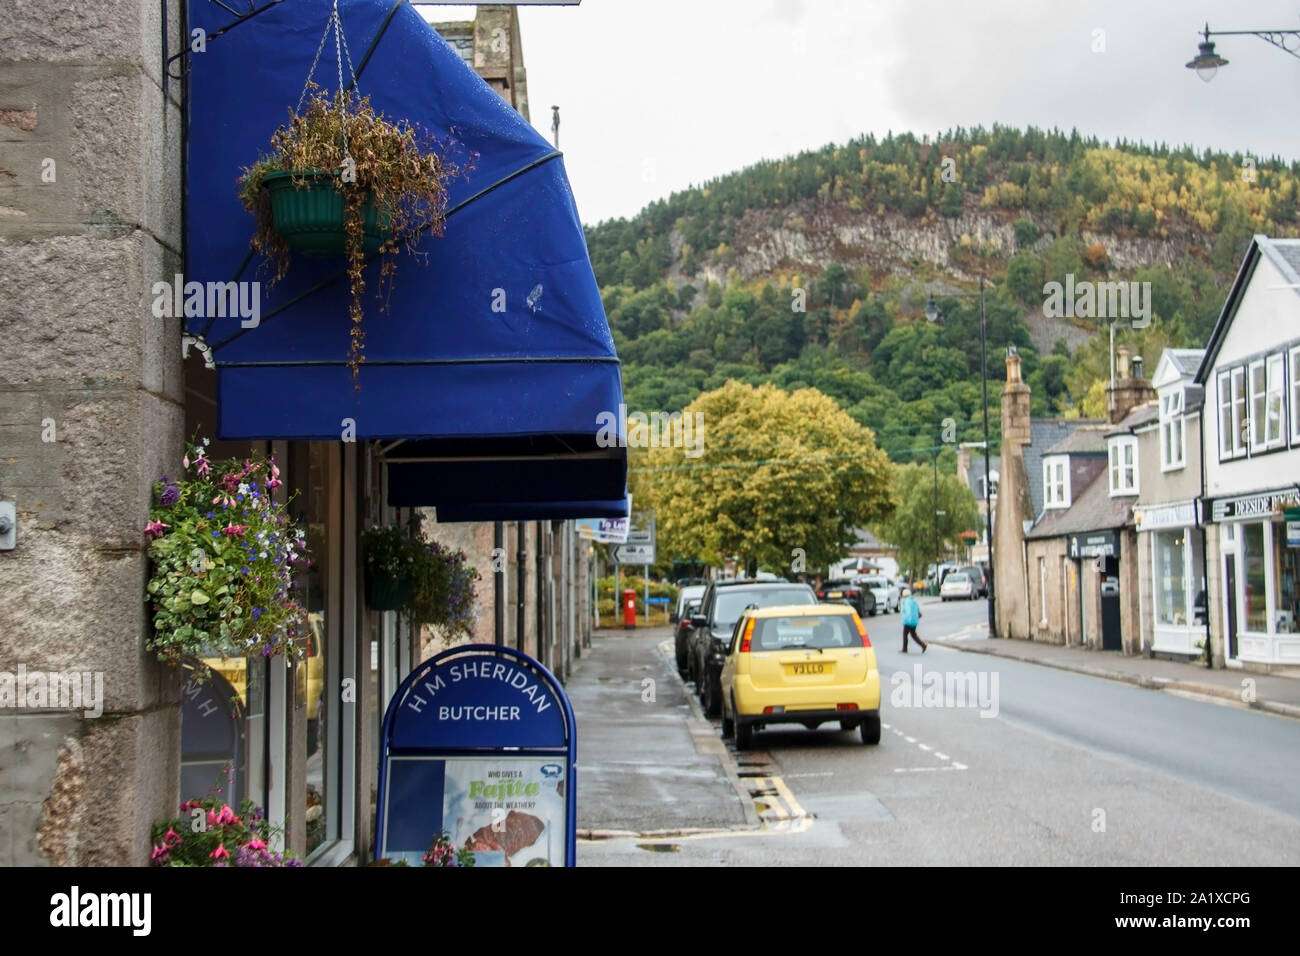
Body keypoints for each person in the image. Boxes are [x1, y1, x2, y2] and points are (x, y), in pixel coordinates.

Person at [899, 588, 926, 653]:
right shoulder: (913, 600)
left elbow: (908, 611)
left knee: (905, 634)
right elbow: (917, 609)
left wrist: (907, 619)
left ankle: (904, 648)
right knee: (913, 635)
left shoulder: (906, 601)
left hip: (908, 621)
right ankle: (923, 645)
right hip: (914, 620)